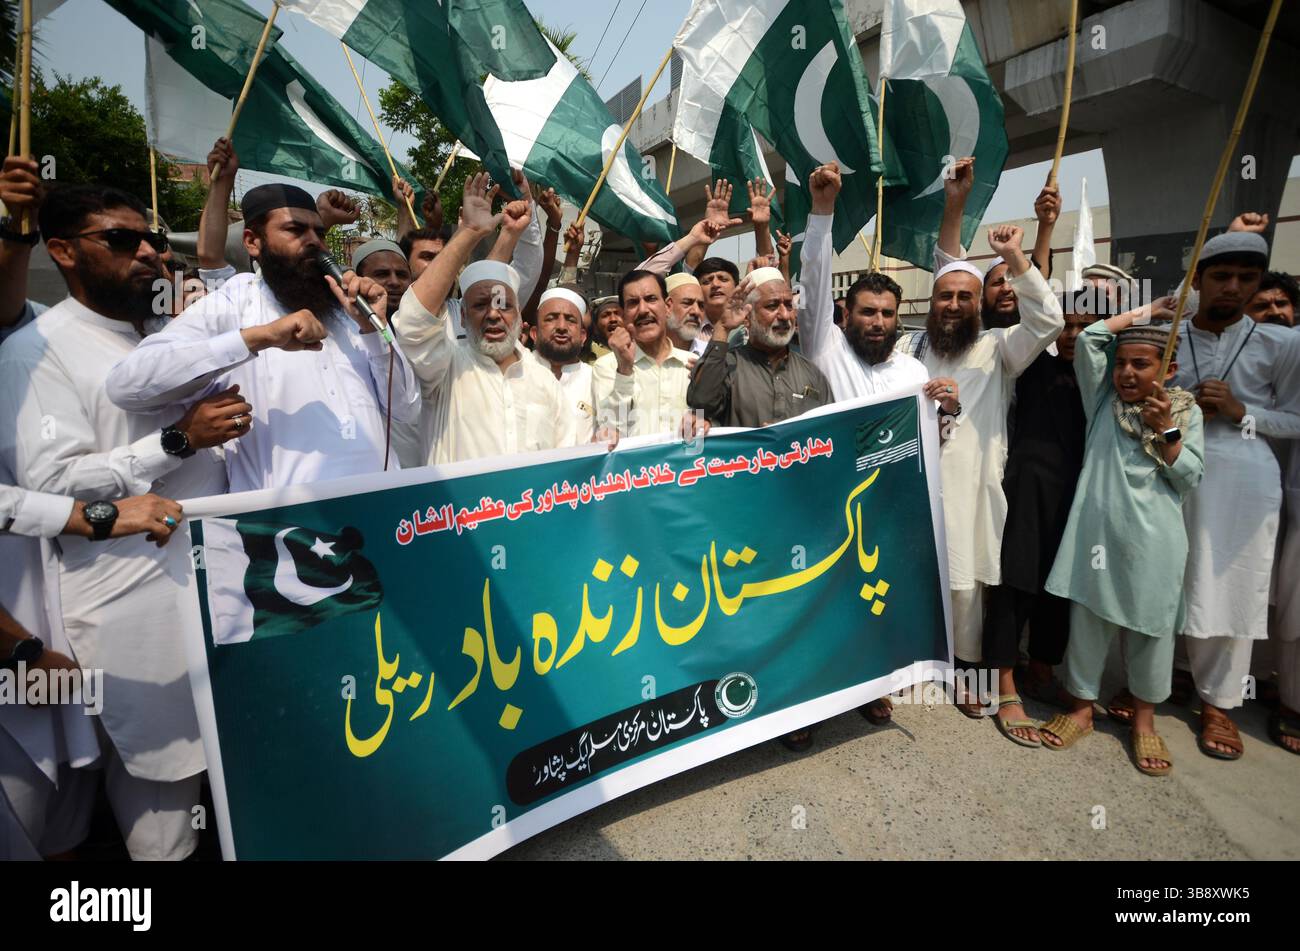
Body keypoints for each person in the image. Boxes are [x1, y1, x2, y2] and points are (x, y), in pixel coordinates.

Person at [0, 183, 240, 860]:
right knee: (159, 819)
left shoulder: (167, 338)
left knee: (199, 804)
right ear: (64, 252)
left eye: (155, 241)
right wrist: (175, 442)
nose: (148, 253)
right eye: (122, 239)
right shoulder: (35, 351)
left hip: (206, 598)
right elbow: (48, 486)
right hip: (127, 617)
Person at [104, 182, 421, 491]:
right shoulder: (234, 301)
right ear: (253, 241)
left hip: (380, 508)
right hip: (286, 528)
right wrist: (258, 338)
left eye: (319, 233)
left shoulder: (348, 307)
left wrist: (372, 328)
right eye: (296, 231)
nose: (314, 242)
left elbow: (407, 409)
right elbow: (126, 385)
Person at [788, 163, 958, 739]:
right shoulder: (825, 348)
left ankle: (871, 689)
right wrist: (822, 212)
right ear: (846, 316)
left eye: (887, 313)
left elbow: (929, 443)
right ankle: (808, 705)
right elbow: (811, 283)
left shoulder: (914, 369)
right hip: (826, 508)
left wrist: (947, 412)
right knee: (819, 607)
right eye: (867, 312)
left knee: (875, 604)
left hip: (887, 517)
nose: (879, 322)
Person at [895, 199, 1064, 703]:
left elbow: (1048, 322)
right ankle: (907, 662)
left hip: (969, 489)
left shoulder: (1000, 348)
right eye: (945, 295)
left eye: (964, 297)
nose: (952, 305)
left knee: (965, 582)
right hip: (911, 486)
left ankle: (966, 673)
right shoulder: (910, 349)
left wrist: (1016, 258)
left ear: (979, 305)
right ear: (931, 302)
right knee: (910, 575)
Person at [1041, 306, 1204, 776]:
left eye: (1141, 364)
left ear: (1169, 369)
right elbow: (1092, 337)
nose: (1127, 373)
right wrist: (1151, 310)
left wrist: (1165, 430)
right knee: (1089, 621)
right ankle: (1080, 709)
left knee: (1151, 630)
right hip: (1097, 537)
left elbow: (1190, 476)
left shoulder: (1185, 412)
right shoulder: (1102, 404)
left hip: (1156, 543)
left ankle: (1145, 722)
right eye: (1122, 363)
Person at [1169, 230, 1300, 760]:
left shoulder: (1283, 343)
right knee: (1170, 575)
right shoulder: (1171, 334)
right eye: (1221, 276)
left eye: (1246, 278)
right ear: (1197, 281)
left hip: (1246, 476)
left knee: (1229, 584)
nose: (1233, 287)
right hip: (1172, 466)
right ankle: (1165, 676)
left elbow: (1294, 417)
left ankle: (1221, 702)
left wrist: (1242, 414)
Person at [391, 172, 572, 464]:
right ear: (462, 315)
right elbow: (413, 323)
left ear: (519, 312)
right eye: (480, 306)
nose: (493, 314)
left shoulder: (543, 379)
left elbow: (570, 463)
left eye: (504, 305)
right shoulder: (444, 369)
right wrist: (470, 233)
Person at [982, 308, 1099, 744]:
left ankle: (1042, 668)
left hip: (1080, 498)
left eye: (1085, 328)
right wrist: (1042, 236)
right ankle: (1005, 684)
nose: (1073, 335)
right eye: (1067, 326)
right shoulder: (1034, 367)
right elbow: (1037, 305)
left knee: (1061, 587)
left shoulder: (1104, 382)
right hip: (1027, 492)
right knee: (1016, 584)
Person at [686, 267, 833, 428]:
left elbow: (831, 430)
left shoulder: (812, 373)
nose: (784, 315)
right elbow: (701, 404)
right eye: (772, 306)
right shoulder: (726, 366)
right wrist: (722, 327)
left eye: (789, 305)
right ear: (747, 318)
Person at [592, 269, 695, 438]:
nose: (643, 310)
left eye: (651, 299)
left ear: (668, 307)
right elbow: (610, 435)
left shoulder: (692, 364)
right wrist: (624, 370)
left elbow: (707, 429)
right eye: (633, 303)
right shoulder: (607, 367)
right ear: (623, 313)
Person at [530, 285, 606, 446]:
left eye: (570, 320)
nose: (561, 327)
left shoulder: (597, 379)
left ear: (583, 336)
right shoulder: (515, 375)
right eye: (551, 318)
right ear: (534, 334)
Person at [979, 181, 1060, 330]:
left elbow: (1036, 281)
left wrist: (1046, 223)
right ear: (982, 297)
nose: (1006, 288)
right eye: (997, 283)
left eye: (1014, 281)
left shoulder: (1038, 339)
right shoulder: (973, 346)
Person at [666, 272, 707, 352]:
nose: (696, 311)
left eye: (701, 305)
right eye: (687, 303)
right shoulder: (638, 355)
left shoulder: (709, 355)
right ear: (667, 306)